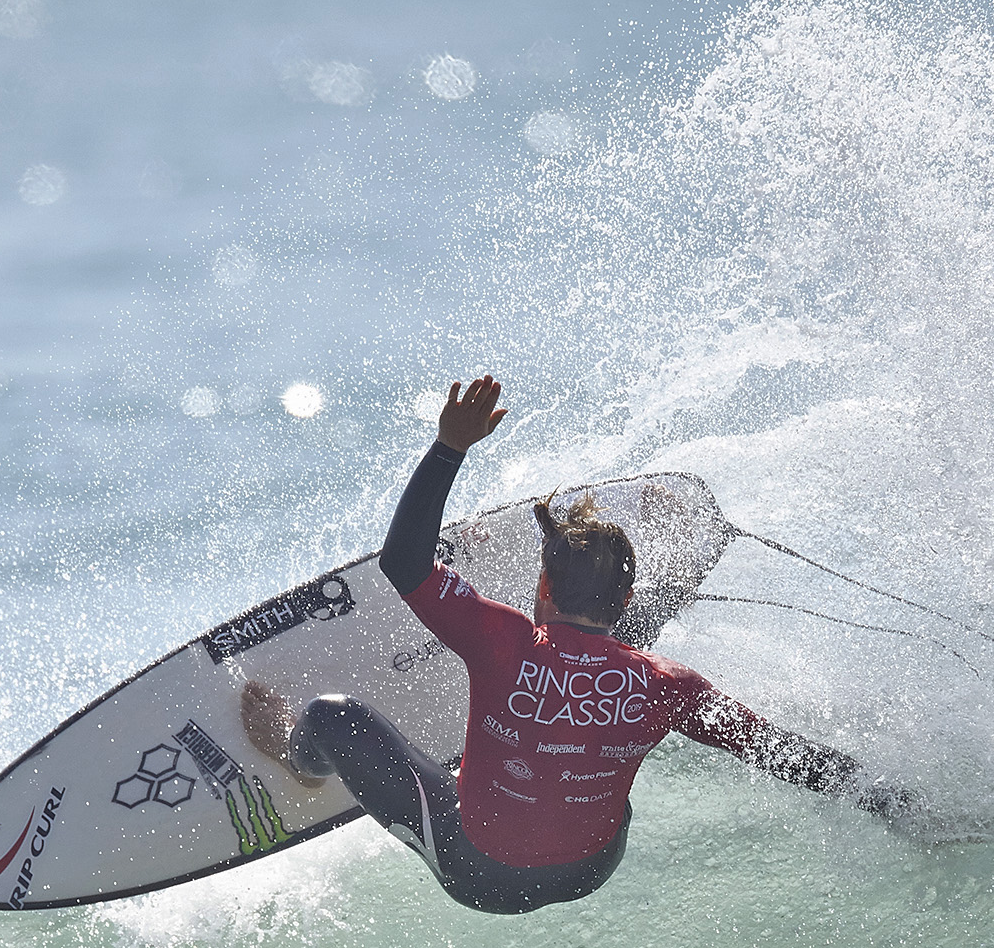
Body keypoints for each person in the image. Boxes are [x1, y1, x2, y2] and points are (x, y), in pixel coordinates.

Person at [241, 375, 908, 914]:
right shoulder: (668, 683)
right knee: (626, 678)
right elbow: (781, 752)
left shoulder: (501, 640)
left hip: (481, 876)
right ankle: (671, 588)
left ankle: (301, 760)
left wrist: (450, 446)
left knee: (333, 716)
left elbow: (404, 560)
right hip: (593, 867)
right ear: (621, 601)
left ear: (542, 586)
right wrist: (890, 801)